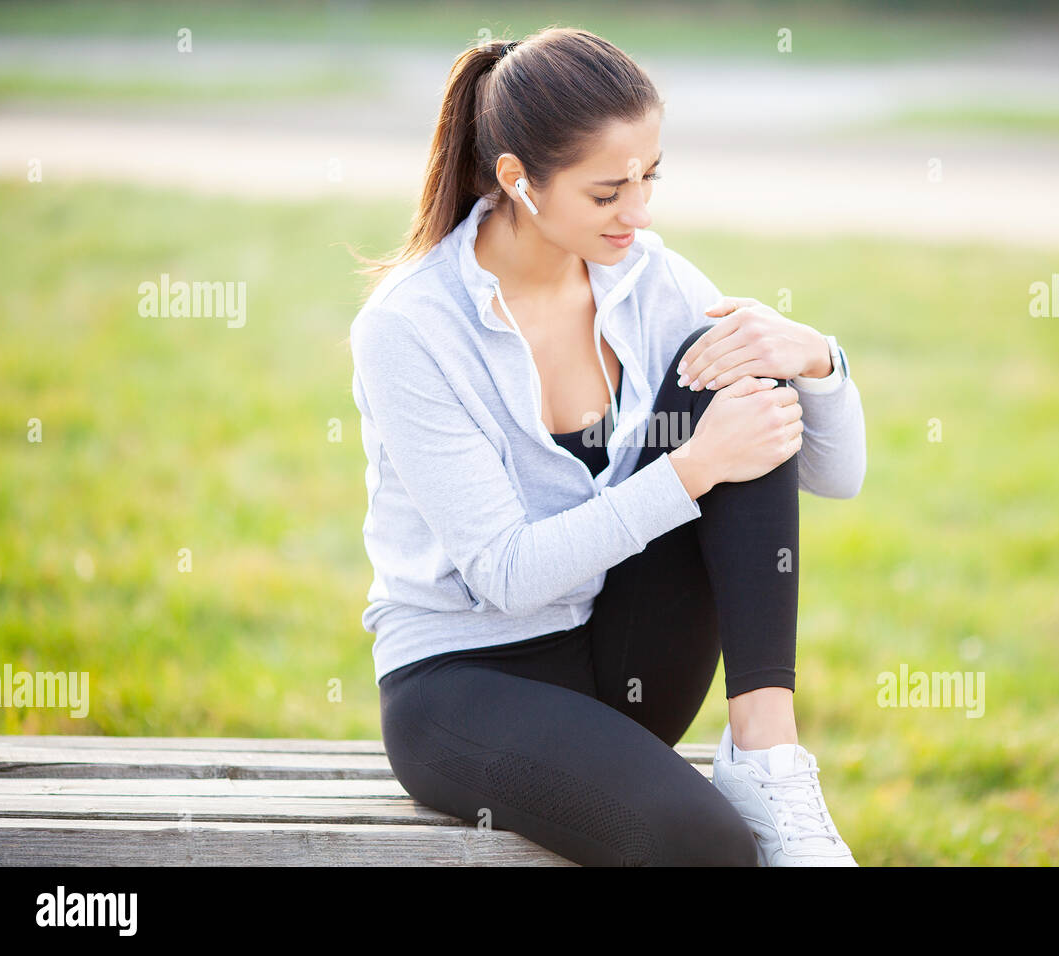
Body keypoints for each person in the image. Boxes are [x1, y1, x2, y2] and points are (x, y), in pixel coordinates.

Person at [349, 27, 868, 866]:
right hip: (464, 684)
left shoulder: (652, 282)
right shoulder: (411, 328)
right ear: (518, 179)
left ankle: (770, 758)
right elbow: (507, 573)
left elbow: (833, 477)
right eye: (607, 193)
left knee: (745, 370)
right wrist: (695, 468)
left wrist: (817, 359)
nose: (640, 212)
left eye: (649, 178)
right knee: (703, 846)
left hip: (624, 661)